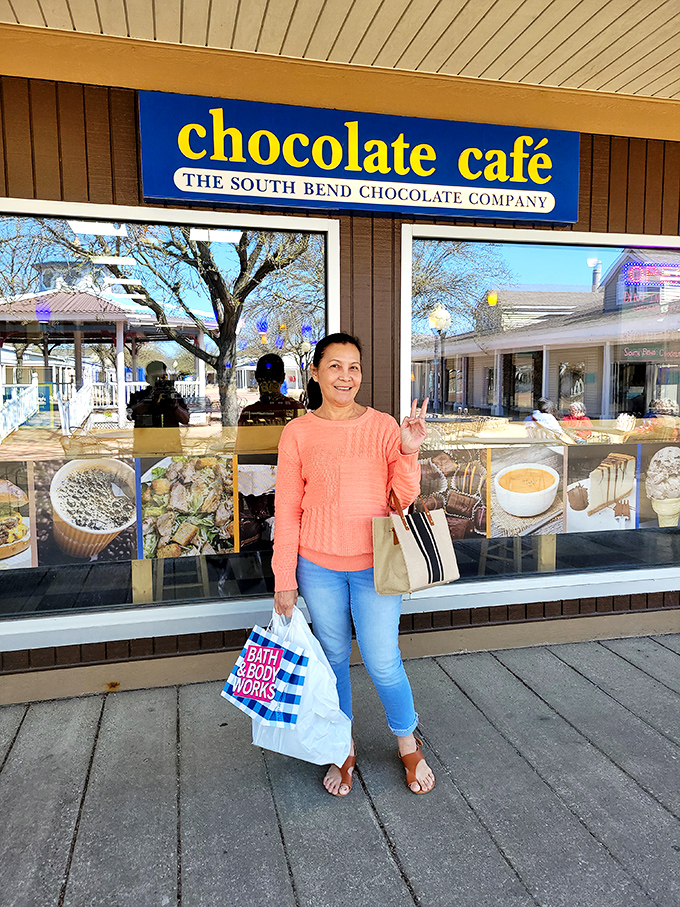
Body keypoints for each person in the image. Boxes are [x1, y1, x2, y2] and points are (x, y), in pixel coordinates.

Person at [272, 332, 435, 797]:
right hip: (317, 566)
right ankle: (341, 747)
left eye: (355, 367)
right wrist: (285, 578)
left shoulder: (383, 426)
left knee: (384, 662)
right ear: (316, 372)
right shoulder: (298, 432)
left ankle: (407, 740)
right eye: (336, 366)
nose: (347, 376)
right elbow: (287, 510)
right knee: (335, 660)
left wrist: (407, 450)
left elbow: (402, 498)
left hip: (375, 565)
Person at [127, 360, 190, 455]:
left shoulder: (174, 396)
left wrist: (175, 406)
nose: (160, 381)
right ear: (147, 378)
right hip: (145, 448)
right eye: (155, 377)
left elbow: (185, 420)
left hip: (171, 448)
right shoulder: (138, 397)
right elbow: (131, 415)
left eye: (163, 377)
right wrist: (150, 399)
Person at [238, 353, 305, 426]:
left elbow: (242, 437)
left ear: (256, 377)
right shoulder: (297, 408)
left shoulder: (249, 413)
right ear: (283, 378)